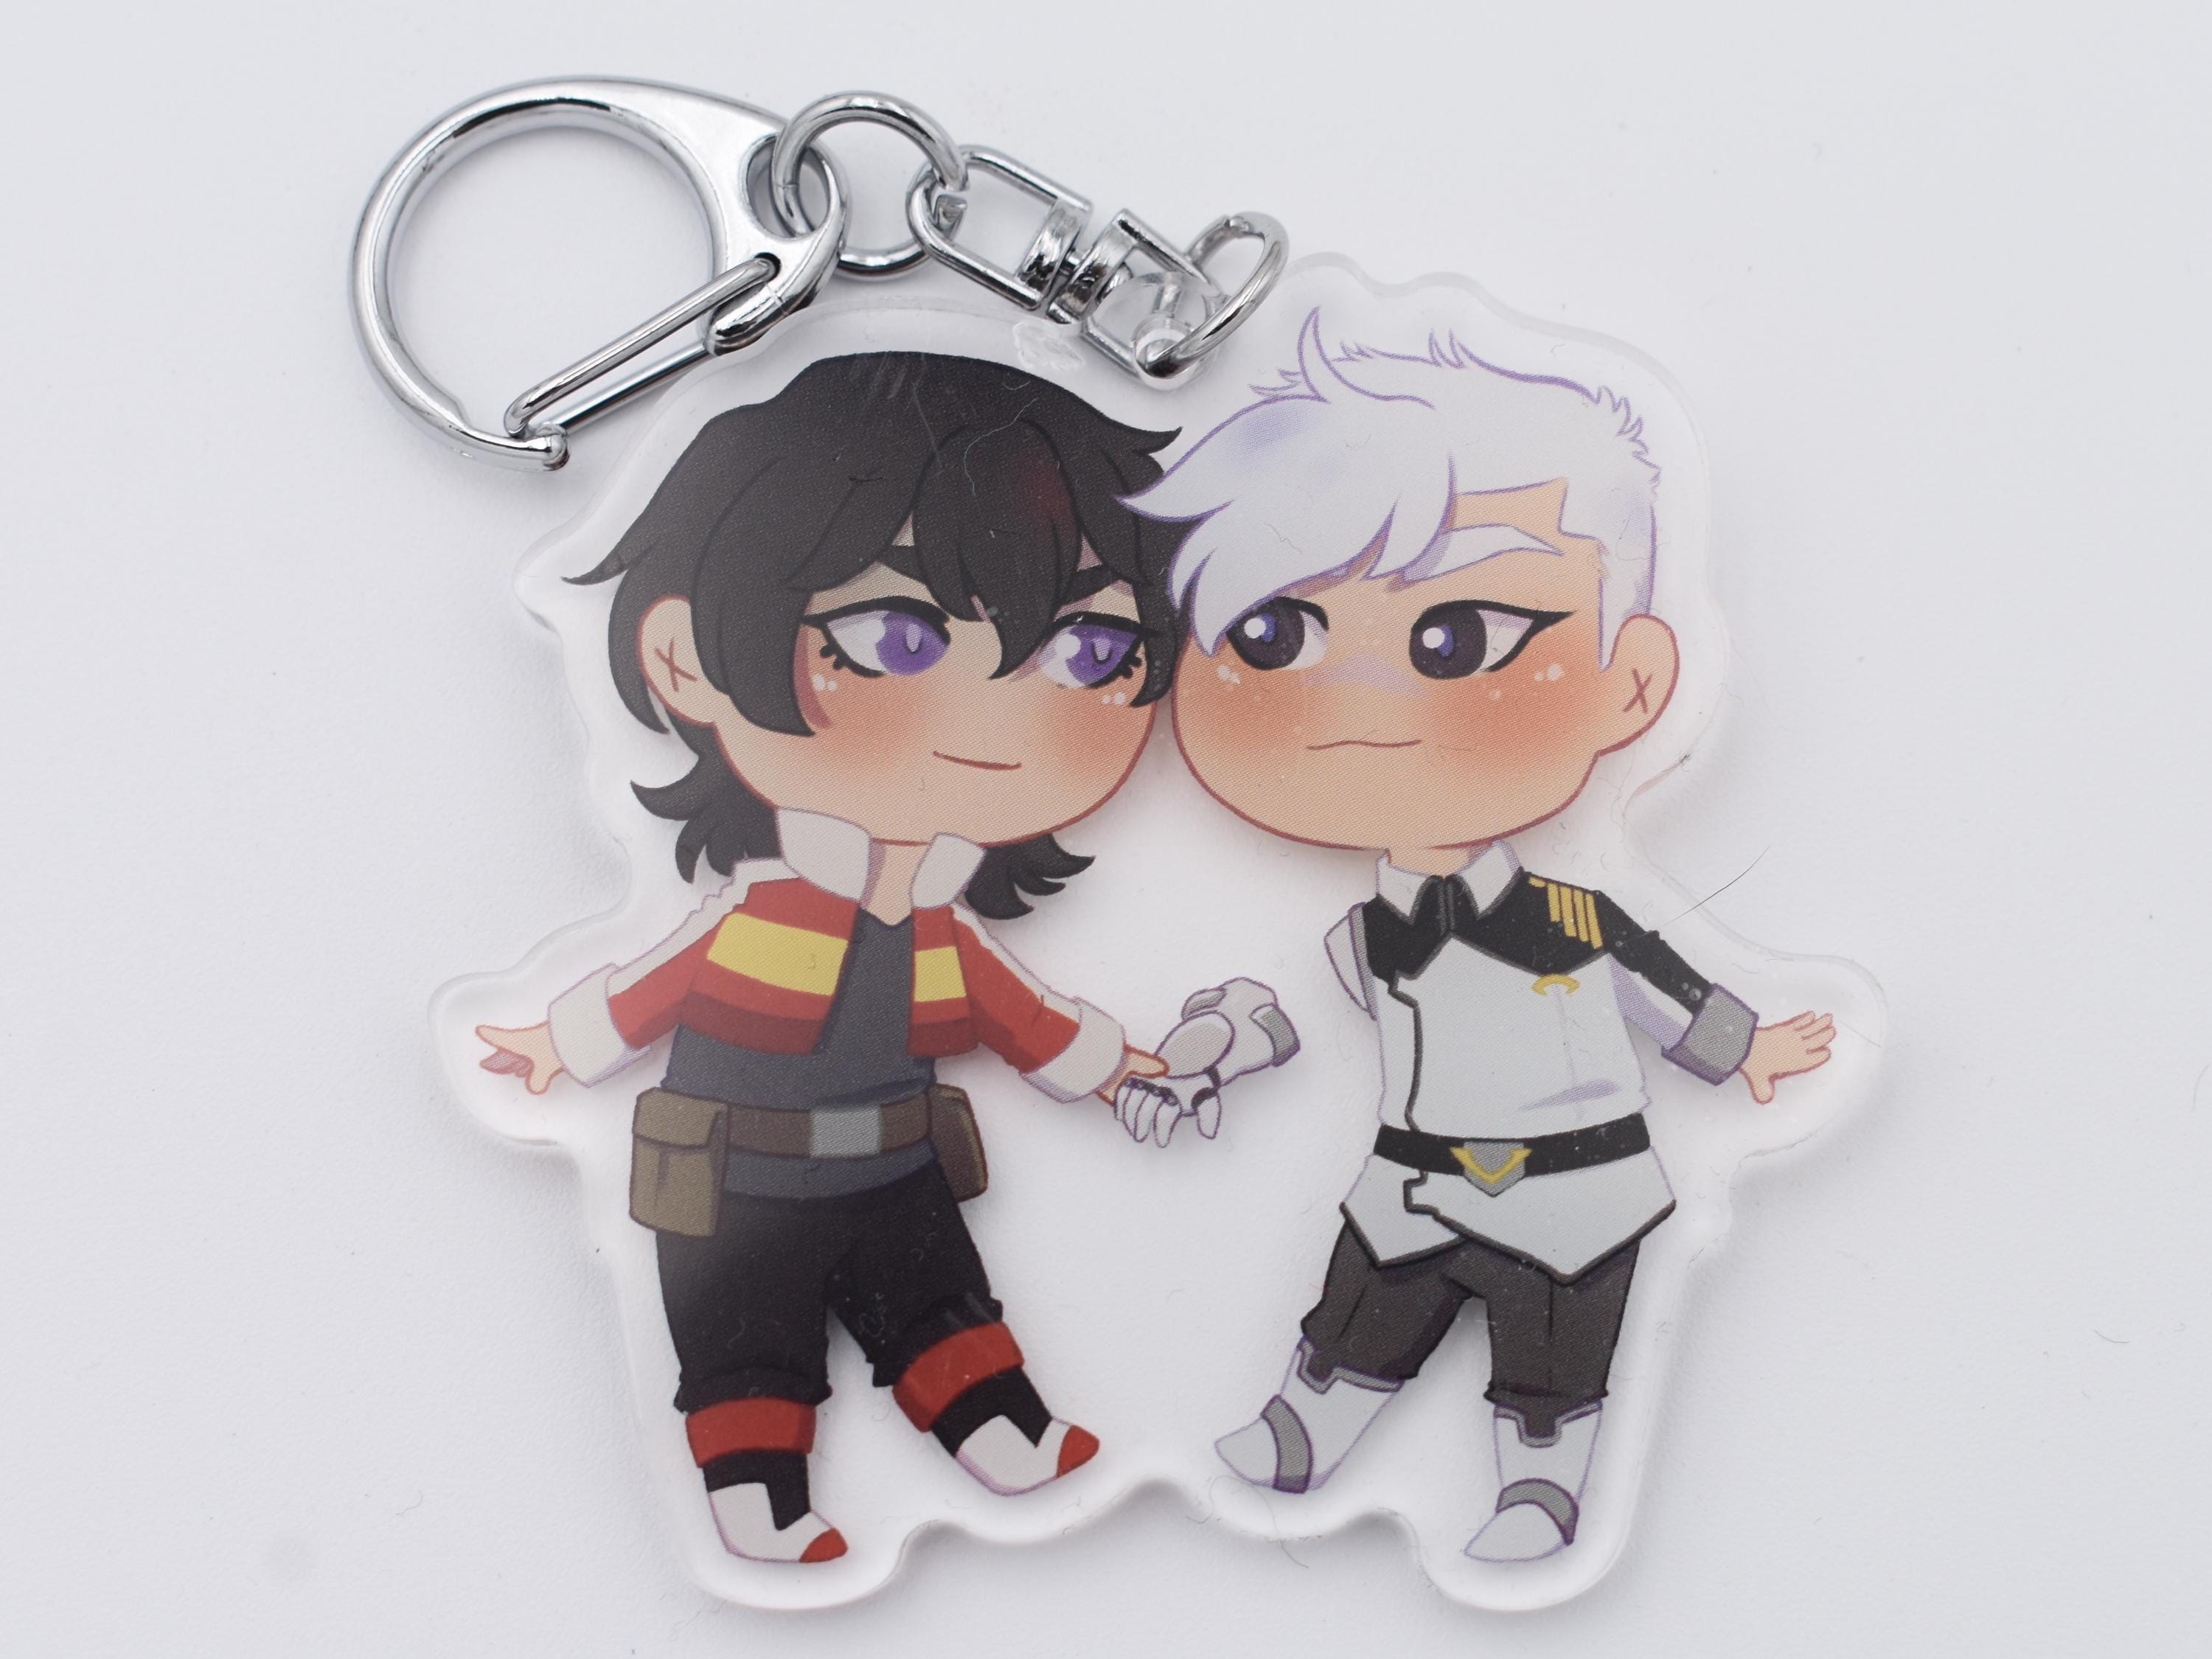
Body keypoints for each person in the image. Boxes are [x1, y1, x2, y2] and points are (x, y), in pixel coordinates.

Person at [1119, 314, 1834, 1562]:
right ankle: (1303, 1428)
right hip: (1413, 1179)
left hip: (1575, 1185)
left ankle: (1540, 1489)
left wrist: (1748, 1050)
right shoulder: (1364, 932)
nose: (1360, 701)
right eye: (1277, 638)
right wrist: (1217, 1042)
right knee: (1360, 1313)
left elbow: (1665, 991)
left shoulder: (1576, 916)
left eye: (1456, 639)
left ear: (1633, 679)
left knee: (1553, 1349)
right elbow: (1300, 1013)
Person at [479, 352, 1211, 1565]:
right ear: (685, 657)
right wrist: (559, 1046)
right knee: (745, 1335)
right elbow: (653, 988)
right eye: (897, 635)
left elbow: (1019, 1016)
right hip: (736, 1177)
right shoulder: (755, 913)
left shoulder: (939, 926)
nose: (995, 717)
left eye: (1089, 652)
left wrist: (1117, 1061)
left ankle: (1002, 1428)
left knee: (940, 1300)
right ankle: (756, 1497)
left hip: (895, 1164)